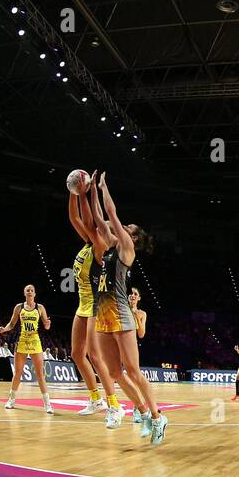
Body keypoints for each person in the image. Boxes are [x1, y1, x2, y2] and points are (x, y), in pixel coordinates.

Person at [87, 171, 167, 444]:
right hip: (102, 314)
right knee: (113, 373)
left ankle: (158, 417)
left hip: (121, 313)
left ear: (133, 238)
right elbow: (100, 219)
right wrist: (91, 193)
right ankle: (143, 411)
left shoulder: (126, 250)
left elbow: (111, 212)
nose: (122, 229)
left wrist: (103, 186)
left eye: (127, 229)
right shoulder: (110, 247)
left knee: (133, 371)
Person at [66, 176, 119, 417]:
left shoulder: (102, 247)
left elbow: (87, 221)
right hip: (83, 304)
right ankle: (96, 399)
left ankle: (114, 405)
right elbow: (75, 219)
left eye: (103, 224)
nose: (99, 225)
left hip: (97, 306)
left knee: (96, 357)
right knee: (77, 354)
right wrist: (73, 191)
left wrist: (84, 193)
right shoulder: (89, 243)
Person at [0, 284, 54, 414]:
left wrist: (47, 324)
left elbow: (46, 326)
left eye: (32, 290)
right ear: (24, 293)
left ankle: (47, 404)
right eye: (27, 290)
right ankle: (11, 400)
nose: (30, 292)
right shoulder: (19, 307)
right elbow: (12, 324)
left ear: (35, 294)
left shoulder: (40, 308)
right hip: (22, 341)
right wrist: (4, 329)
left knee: (40, 375)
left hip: (35, 341)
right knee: (18, 373)